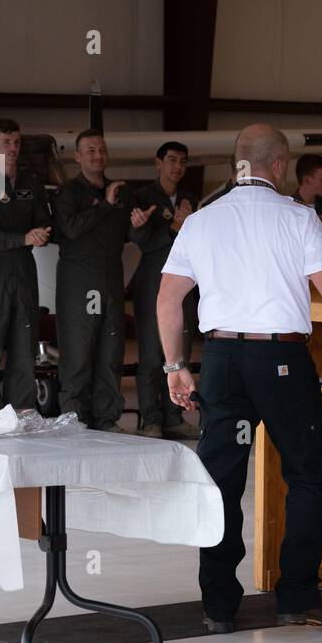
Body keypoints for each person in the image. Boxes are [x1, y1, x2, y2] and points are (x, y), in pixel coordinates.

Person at [156, 125, 322, 632]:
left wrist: (175, 366)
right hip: (281, 363)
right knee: (306, 474)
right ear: (278, 166)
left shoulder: (202, 221)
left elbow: (168, 299)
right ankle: (297, 596)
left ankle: (218, 606)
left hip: (222, 361)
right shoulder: (298, 219)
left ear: (239, 164)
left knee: (220, 481)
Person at [0, 118, 52, 411]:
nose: (13, 148)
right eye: (6, 142)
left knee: (24, 345)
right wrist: (22, 237)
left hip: (24, 270)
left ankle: (23, 412)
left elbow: (43, 217)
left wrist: (42, 231)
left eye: (16, 142)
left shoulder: (31, 183)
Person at [51, 129, 132, 431]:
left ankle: (106, 416)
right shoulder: (68, 192)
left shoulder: (121, 191)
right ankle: (75, 417)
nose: (98, 156)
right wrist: (105, 206)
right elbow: (70, 229)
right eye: (90, 151)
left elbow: (128, 232)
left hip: (111, 276)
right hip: (81, 279)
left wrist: (138, 222)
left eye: (102, 150)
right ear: (77, 156)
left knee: (111, 349)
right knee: (79, 349)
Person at [130, 141, 199, 438]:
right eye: (171, 160)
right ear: (158, 162)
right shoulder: (143, 196)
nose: (178, 167)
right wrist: (173, 228)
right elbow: (141, 241)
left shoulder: (189, 198)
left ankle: (175, 416)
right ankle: (151, 419)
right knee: (150, 351)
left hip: (184, 284)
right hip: (151, 282)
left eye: (183, 161)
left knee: (179, 350)